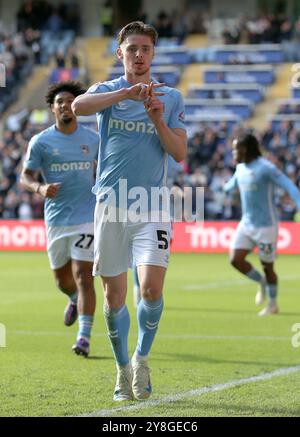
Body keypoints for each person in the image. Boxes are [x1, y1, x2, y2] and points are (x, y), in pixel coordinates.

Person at [72, 21, 187, 401]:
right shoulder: (109, 91)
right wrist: (125, 93)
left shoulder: (170, 98)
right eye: (132, 48)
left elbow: (179, 152)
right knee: (113, 298)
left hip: (151, 204)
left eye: (145, 49)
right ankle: (122, 369)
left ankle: (141, 358)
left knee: (152, 289)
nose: (139, 55)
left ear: (153, 54)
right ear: (119, 52)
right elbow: (77, 105)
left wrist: (155, 116)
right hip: (110, 205)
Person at [20, 81, 99, 357]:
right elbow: (25, 176)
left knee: (83, 276)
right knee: (63, 281)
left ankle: (84, 337)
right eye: (60, 102)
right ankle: (74, 299)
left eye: (70, 101)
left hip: (86, 217)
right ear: (52, 108)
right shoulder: (41, 142)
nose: (66, 105)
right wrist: (40, 188)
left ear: (77, 106)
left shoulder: (93, 140)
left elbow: (103, 173)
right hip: (56, 220)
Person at [224, 133, 300, 316]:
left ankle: (273, 304)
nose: (233, 152)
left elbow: (288, 185)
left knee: (268, 266)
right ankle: (262, 282)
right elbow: (231, 185)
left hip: (266, 226)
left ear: (247, 149)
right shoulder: (240, 168)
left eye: (237, 149)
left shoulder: (266, 168)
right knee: (235, 259)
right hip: (247, 223)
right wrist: (223, 189)